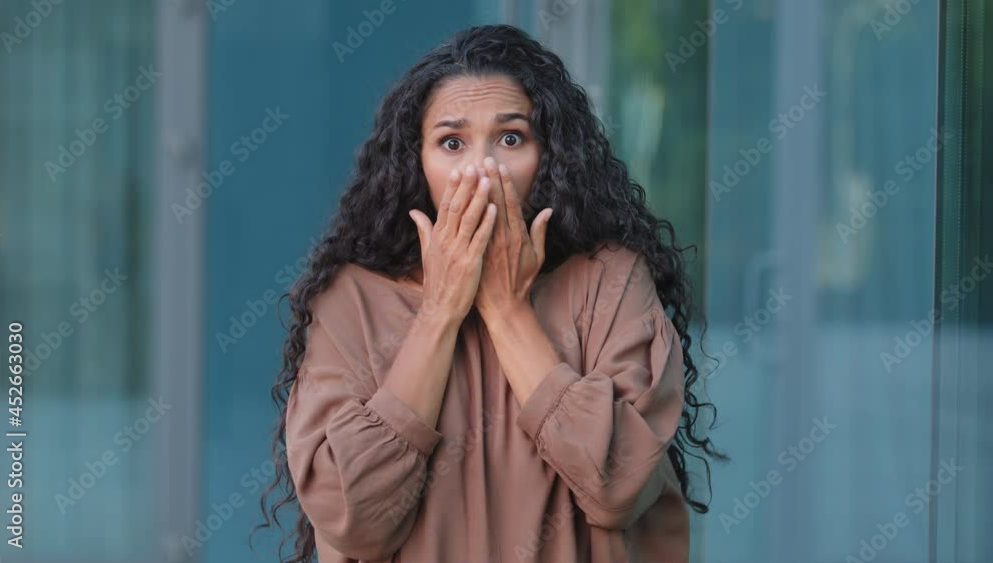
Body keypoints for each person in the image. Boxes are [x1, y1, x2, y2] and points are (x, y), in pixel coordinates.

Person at [254, 24, 724, 563]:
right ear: (416, 163)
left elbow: (618, 487)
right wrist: (439, 312)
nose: (482, 170)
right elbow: (354, 520)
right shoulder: (352, 300)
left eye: (511, 139)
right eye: (452, 143)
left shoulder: (610, 282)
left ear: (550, 154)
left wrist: (506, 309)